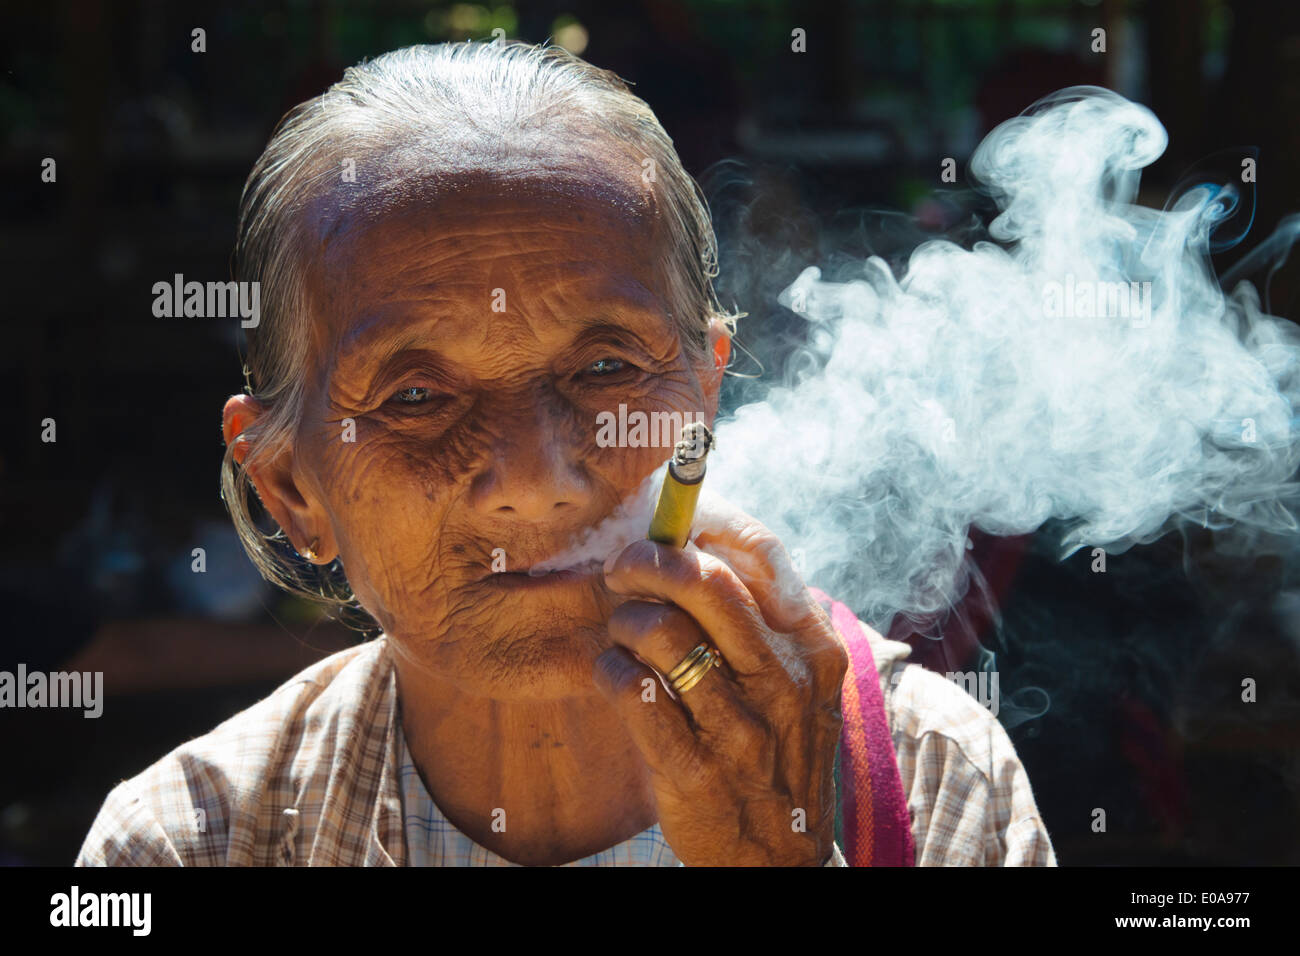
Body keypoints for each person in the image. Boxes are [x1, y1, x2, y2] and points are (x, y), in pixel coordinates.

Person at [76, 40, 1056, 867]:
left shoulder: (931, 780)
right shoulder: (188, 841)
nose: (538, 478)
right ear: (291, 486)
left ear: (702, 402)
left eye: (603, 368)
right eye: (416, 397)